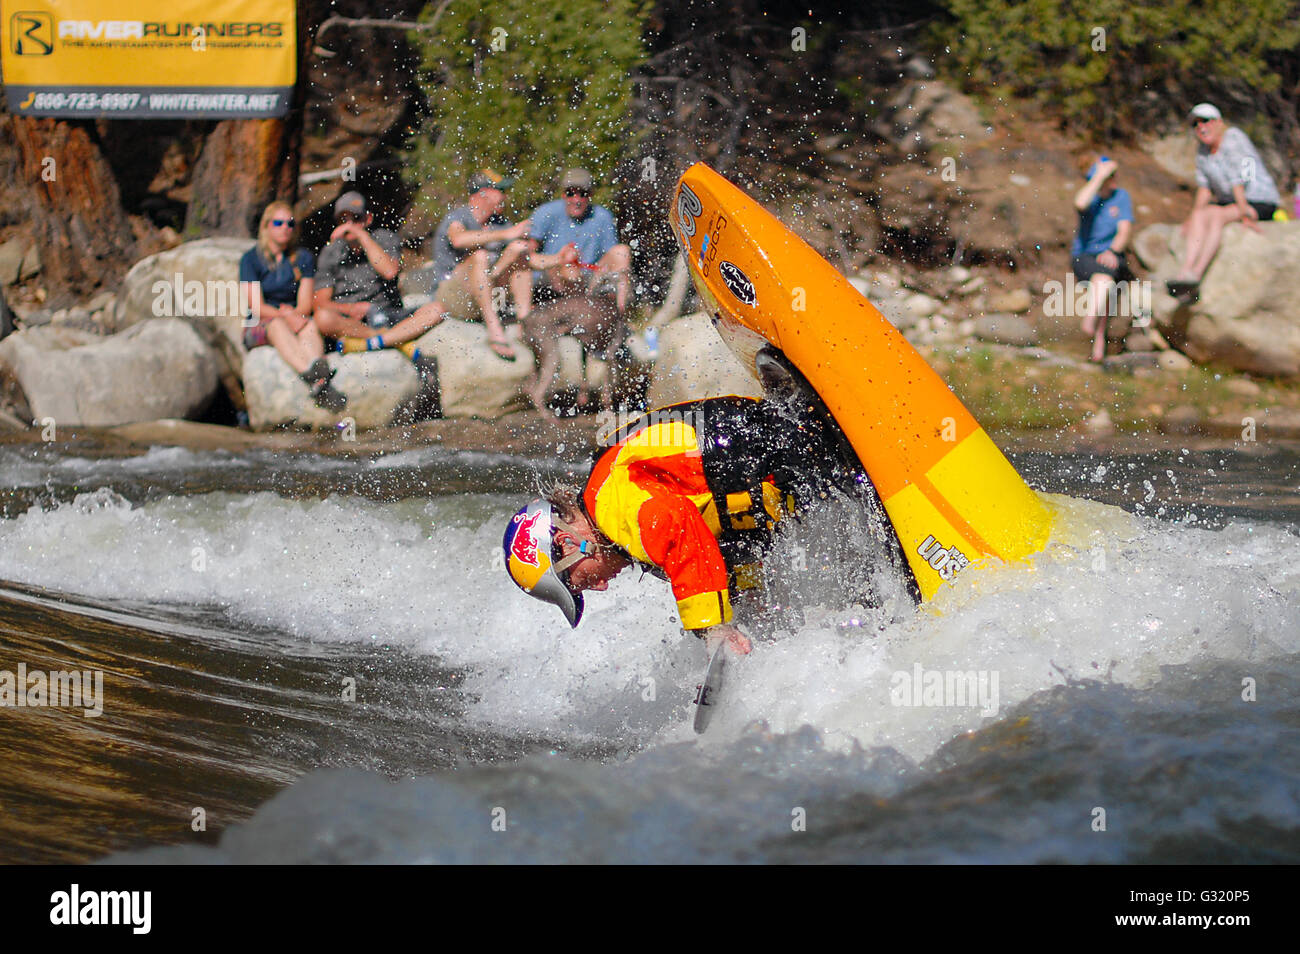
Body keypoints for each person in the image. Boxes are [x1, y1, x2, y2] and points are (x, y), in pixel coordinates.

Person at [502, 396, 848, 657]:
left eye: (585, 582)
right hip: (786, 452)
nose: (603, 586)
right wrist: (749, 598)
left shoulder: (609, 505)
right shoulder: (612, 498)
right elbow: (715, 546)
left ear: (566, 543)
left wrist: (711, 626)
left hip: (792, 449)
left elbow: (678, 525)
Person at [520, 168, 633, 410]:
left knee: (622, 252)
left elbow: (610, 258)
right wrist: (559, 259)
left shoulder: (602, 217)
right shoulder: (546, 214)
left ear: (590, 195)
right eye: (571, 193)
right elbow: (527, 257)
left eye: (582, 193)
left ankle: (618, 317)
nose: (576, 199)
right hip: (554, 278)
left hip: (588, 282)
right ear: (563, 194)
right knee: (569, 266)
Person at [239, 202, 346, 411]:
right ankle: (311, 374)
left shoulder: (303, 258)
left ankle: (318, 374)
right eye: (278, 223)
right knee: (277, 325)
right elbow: (257, 307)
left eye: (290, 224)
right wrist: (285, 315)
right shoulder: (251, 260)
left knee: (310, 326)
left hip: (294, 317)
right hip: (262, 323)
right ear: (266, 227)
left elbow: (305, 304)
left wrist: (294, 316)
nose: (285, 228)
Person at [1168, 103, 1281, 297]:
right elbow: (1204, 189)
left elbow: (1238, 181)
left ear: (1219, 122)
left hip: (1256, 200)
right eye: (1195, 124)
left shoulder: (1234, 138)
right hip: (1231, 201)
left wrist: (1245, 213)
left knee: (1217, 215)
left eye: (1205, 121)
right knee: (1201, 214)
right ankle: (1185, 271)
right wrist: (1192, 218)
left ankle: (1196, 273)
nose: (1201, 127)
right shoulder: (1203, 152)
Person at [313, 192, 447, 352]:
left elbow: (389, 271)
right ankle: (393, 339)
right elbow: (320, 302)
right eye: (343, 220)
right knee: (322, 318)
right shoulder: (331, 252)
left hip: (387, 312)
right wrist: (351, 309)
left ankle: (370, 343)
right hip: (352, 321)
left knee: (437, 309)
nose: (349, 225)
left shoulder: (385, 239)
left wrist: (363, 237)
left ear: (368, 219)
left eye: (355, 218)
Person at [427, 170, 534, 361]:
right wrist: (506, 234)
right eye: (501, 191)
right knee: (480, 256)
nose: (505, 196)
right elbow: (458, 239)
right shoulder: (458, 217)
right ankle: (494, 328)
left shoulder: (501, 223)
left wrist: (559, 259)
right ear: (484, 193)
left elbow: (528, 260)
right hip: (453, 296)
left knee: (519, 250)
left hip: (489, 294)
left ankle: (524, 323)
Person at [1070, 155, 1133, 363]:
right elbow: (1079, 202)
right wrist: (1099, 176)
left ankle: (1095, 332)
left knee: (1107, 278)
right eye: (1109, 177)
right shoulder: (1091, 198)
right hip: (1085, 255)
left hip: (1111, 255)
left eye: (1113, 175)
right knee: (1104, 280)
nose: (1113, 179)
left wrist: (1113, 251)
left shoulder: (1121, 197)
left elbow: (1124, 231)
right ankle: (1094, 332)